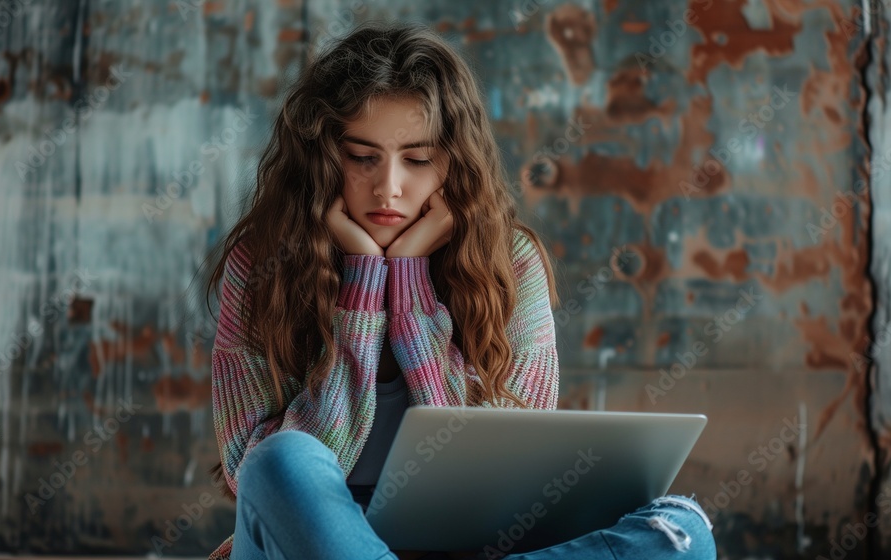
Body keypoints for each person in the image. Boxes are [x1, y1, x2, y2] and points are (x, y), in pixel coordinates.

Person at [202, 21, 715, 560]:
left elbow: (506, 476)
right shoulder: (261, 267)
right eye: (361, 156)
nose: (389, 187)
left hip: (468, 542)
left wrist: (406, 290)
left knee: (680, 529)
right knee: (280, 461)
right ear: (323, 157)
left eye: (418, 160)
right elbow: (247, 470)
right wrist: (362, 294)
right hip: (317, 539)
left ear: (454, 162)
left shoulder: (510, 265)